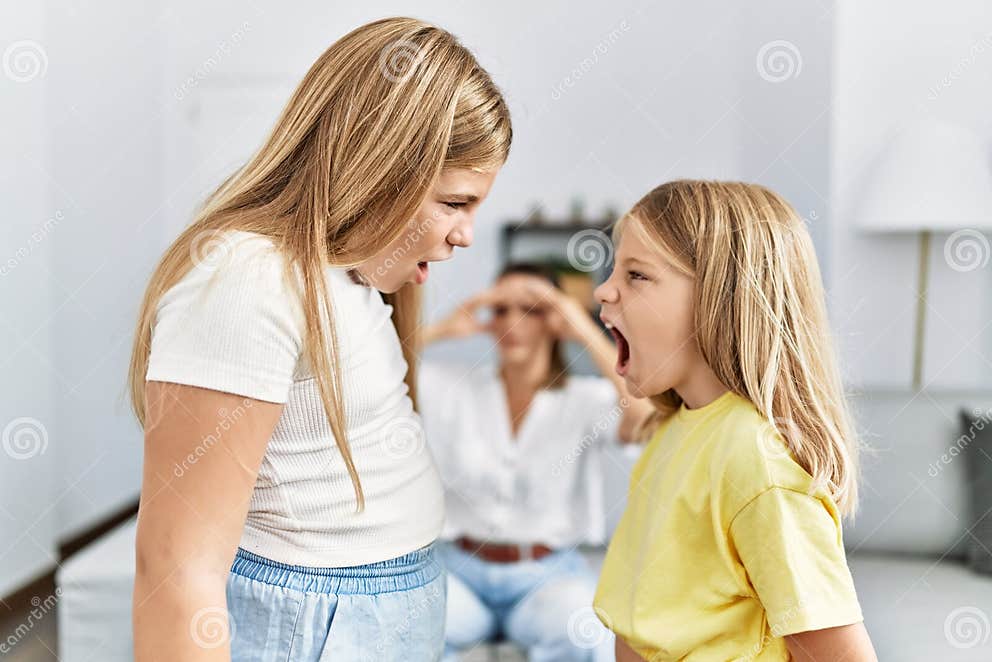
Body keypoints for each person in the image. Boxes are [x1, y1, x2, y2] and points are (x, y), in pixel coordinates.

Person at [127, 17, 511, 661]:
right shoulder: (247, 278)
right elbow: (175, 566)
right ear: (379, 169)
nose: (465, 235)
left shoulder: (351, 275)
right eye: (454, 203)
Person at [591, 180, 878, 661]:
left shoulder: (757, 461)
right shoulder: (674, 429)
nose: (603, 289)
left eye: (637, 275)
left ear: (721, 298)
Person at [418, 262, 654, 661]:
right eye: (500, 309)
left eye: (531, 310)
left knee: (583, 633)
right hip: (459, 570)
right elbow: (362, 370)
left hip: (547, 576)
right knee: (405, 625)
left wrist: (583, 329)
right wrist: (441, 329)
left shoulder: (585, 398)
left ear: (556, 319)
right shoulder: (454, 388)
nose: (513, 322)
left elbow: (645, 418)